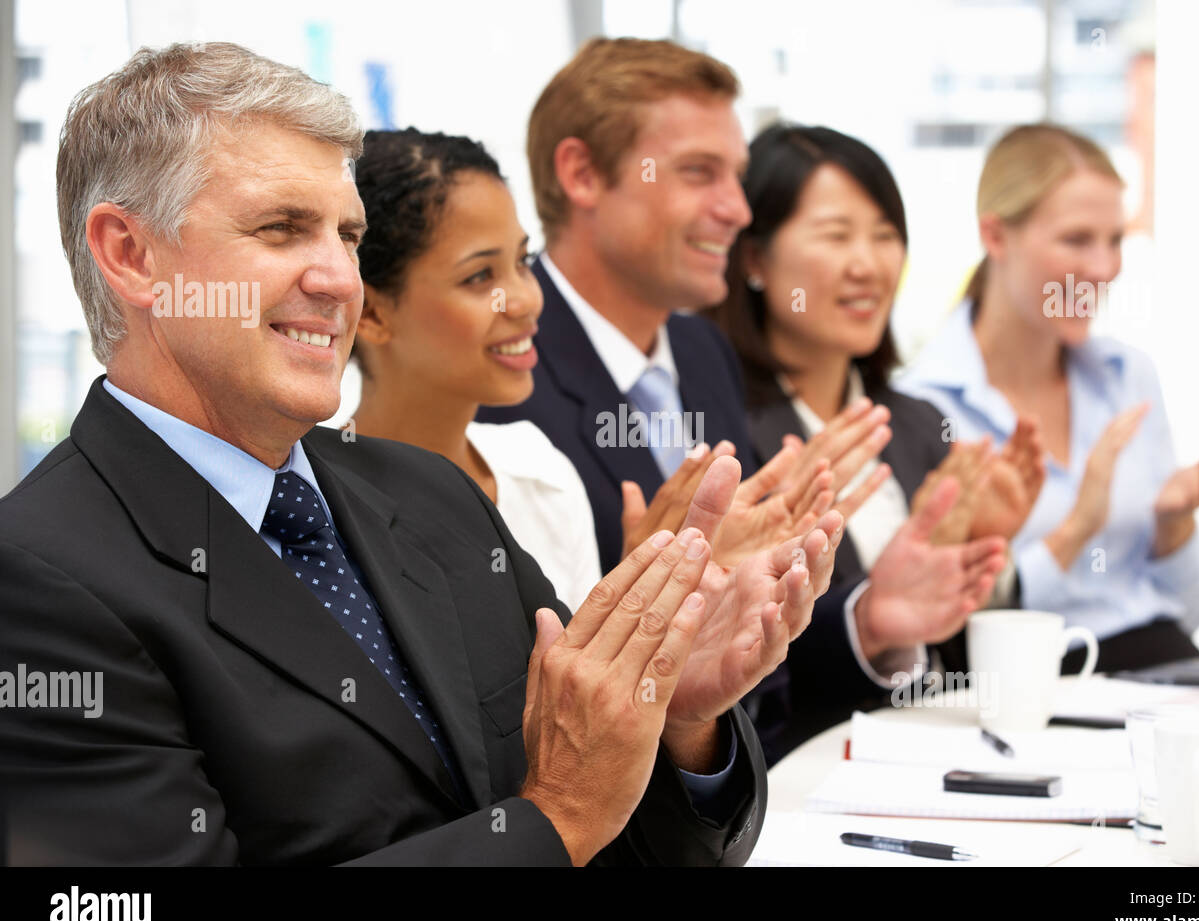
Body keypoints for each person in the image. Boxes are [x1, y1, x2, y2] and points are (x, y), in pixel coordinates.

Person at [0, 41, 846, 866]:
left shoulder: (431, 493)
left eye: (348, 235)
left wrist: (673, 715)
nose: (338, 279)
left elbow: (632, 839)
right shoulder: (38, 581)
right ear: (130, 254)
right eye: (282, 229)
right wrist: (553, 820)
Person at [478, 38, 1008, 763]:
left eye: (737, 177)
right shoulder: (496, 364)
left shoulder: (701, 354)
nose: (734, 209)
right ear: (581, 173)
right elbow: (498, 688)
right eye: (700, 173)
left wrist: (871, 616)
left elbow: (753, 671)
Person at [706, 124, 1045, 758]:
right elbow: (742, 682)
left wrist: (981, 548)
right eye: (836, 236)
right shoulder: (724, 432)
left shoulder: (916, 421)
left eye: (885, 235)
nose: (868, 264)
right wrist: (870, 617)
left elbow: (958, 654)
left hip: (946, 757)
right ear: (754, 258)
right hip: (807, 772)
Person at [898, 123, 1199, 673]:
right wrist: (1077, 528)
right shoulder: (924, 410)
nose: (1104, 268)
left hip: (1164, 670)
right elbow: (945, 631)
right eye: (1077, 240)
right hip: (1028, 692)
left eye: (1115, 241)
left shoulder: (1128, 376)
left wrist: (1173, 524)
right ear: (995, 236)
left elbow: (1189, 609)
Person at [346, 128, 600, 612]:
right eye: (480, 276)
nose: (526, 300)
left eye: (522, 261)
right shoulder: (316, 507)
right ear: (371, 314)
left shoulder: (541, 473)